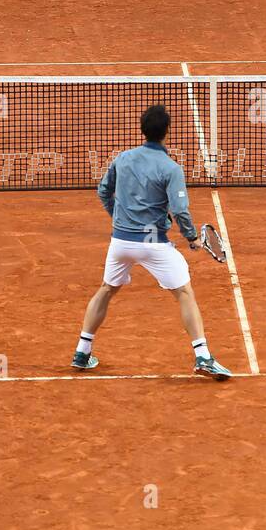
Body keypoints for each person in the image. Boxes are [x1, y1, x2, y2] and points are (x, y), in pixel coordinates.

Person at [74, 103, 232, 380]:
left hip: (120, 242)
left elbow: (103, 191)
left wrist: (119, 219)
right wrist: (191, 236)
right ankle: (203, 357)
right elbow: (180, 210)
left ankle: (81, 352)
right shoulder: (171, 168)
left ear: (142, 131)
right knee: (183, 293)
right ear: (166, 132)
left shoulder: (122, 159)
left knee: (106, 289)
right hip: (154, 244)